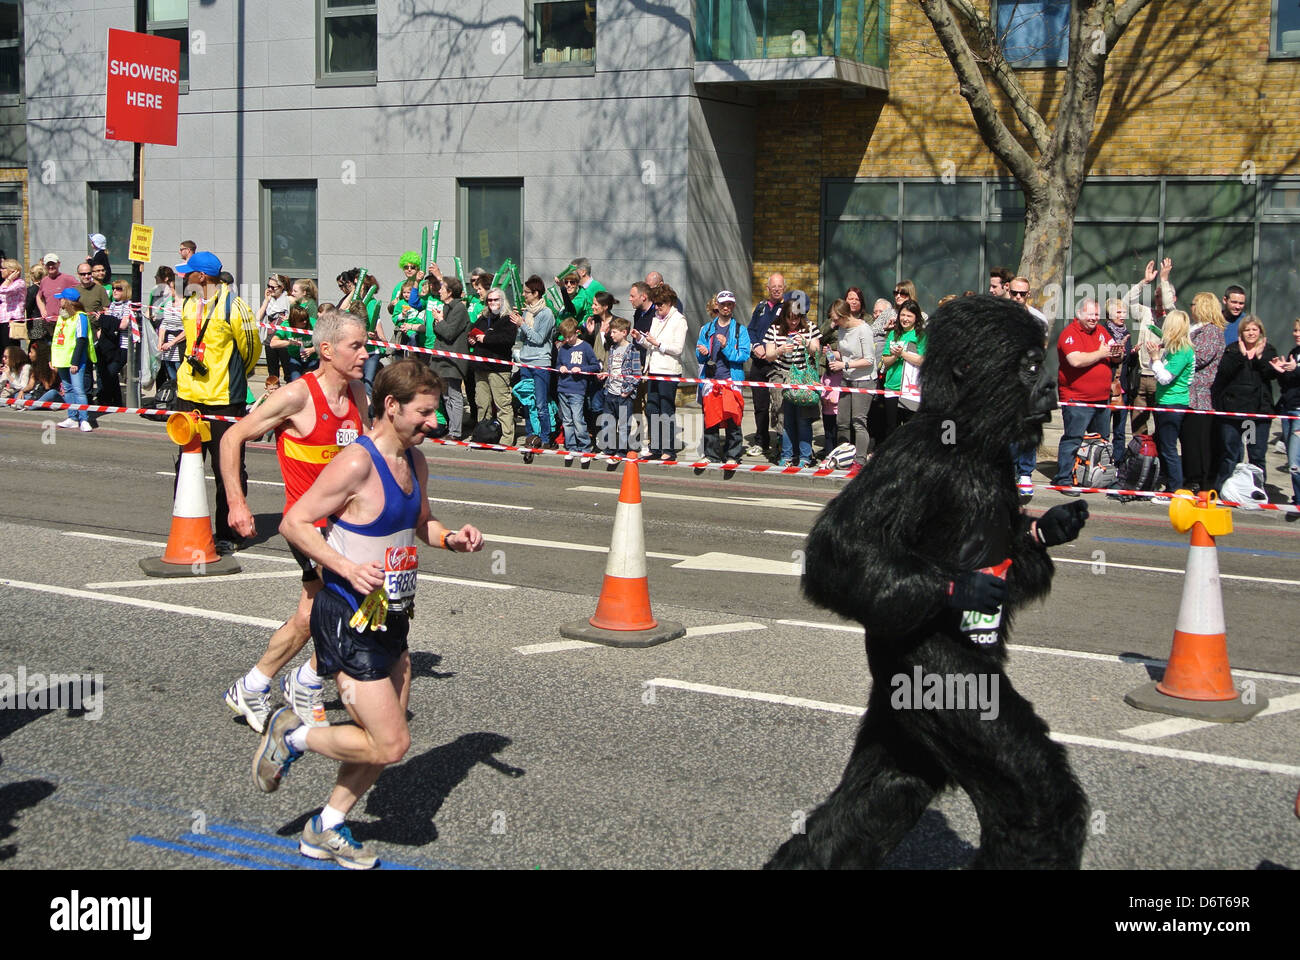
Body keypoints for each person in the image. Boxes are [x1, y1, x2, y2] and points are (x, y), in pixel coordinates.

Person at [256, 360, 484, 869]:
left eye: (436, 411)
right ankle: (291, 735)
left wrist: (451, 538)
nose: (434, 422)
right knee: (393, 743)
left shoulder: (414, 462)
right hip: (348, 613)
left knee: (381, 740)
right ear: (390, 406)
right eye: (424, 412)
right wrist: (343, 565)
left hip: (392, 613)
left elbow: (421, 522)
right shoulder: (356, 463)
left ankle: (327, 826)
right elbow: (295, 521)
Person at [221, 308, 371, 733]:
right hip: (306, 525)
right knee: (349, 606)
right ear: (326, 350)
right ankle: (304, 683)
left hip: (347, 525)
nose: (364, 354)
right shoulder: (297, 396)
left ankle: (255, 684)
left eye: (365, 345)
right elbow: (232, 436)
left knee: (312, 613)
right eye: (355, 346)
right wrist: (237, 502)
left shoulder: (359, 395)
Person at [173, 251, 261, 552]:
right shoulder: (189, 302)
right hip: (189, 396)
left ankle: (228, 533)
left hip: (223, 399)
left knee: (229, 469)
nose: (183, 277)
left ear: (202, 277)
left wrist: (235, 375)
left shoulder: (235, 306)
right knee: (187, 464)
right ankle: (188, 526)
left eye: (188, 273)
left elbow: (251, 348)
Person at [1052, 299, 1116, 492]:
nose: (1094, 318)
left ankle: (1098, 478)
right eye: (1090, 314)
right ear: (1079, 314)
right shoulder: (1069, 334)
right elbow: (1076, 360)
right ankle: (1063, 479)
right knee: (1073, 439)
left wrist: (1117, 352)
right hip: (1077, 398)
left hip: (1101, 399)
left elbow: (1114, 352)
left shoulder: (1102, 332)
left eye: (1097, 315)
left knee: (1102, 440)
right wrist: (1101, 352)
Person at [1212, 315, 1277, 491]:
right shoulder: (1232, 350)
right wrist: (1241, 355)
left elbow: (1271, 374)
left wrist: (1260, 357)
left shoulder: (1269, 350)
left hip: (1256, 415)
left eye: (1254, 329)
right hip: (1233, 413)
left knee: (1256, 454)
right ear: (1241, 333)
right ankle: (1224, 489)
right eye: (1247, 330)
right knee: (1230, 453)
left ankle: (1257, 491)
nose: (1251, 333)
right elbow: (1224, 373)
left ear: (1260, 332)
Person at [759, 291, 821, 466]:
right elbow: (769, 355)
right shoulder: (774, 329)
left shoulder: (810, 327)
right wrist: (780, 350)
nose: (793, 322)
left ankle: (805, 456)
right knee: (785, 419)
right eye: (789, 318)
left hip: (803, 378)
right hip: (783, 377)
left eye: (796, 318)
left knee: (803, 419)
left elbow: (816, 351)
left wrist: (806, 343)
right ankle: (786, 455)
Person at [696, 290, 751, 463]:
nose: (726, 307)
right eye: (723, 304)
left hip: (731, 381)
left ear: (733, 306)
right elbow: (699, 355)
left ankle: (732, 455)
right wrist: (703, 353)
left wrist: (726, 346)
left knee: (733, 419)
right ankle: (711, 455)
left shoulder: (740, 330)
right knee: (711, 420)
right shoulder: (707, 329)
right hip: (711, 380)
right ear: (717, 306)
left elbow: (743, 355)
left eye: (729, 304)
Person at [1125, 258, 1176, 436]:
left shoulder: (1174, 317)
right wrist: (1144, 282)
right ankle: (1140, 455)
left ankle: (1158, 455)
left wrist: (1164, 279)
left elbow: (1169, 305)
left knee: (1163, 424)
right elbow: (1127, 303)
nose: (1159, 300)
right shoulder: (1148, 313)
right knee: (1137, 423)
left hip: (1161, 378)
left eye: (1162, 296)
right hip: (1141, 376)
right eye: (1156, 296)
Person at [1181, 292, 1226, 493]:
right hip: (1190, 395)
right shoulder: (1196, 329)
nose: (1191, 308)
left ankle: (1198, 480)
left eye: (1193, 304)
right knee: (1189, 439)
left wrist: (1177, 348)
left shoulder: (1211, 332)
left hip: (1202, 397)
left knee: (1199, 442)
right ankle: (1192, 476)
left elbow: (1198, 358)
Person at [1146, 310, 1195, 495]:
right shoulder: (1172, 349)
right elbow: (1156, 370)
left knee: (1169, 448)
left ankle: (1175, 489)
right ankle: (1166, 480)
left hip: (1173, 404)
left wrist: (1156, 359)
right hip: (1163, 402)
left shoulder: (1183, 351)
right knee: (1162, 444)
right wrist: (1154, 356)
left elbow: (1165, 378)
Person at [636, 283, 687, 461]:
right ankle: (655, 447)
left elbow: (677, 349)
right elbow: (651, 344)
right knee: (652, 409)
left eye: (660, 305)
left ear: (670, 302)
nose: (657, 308)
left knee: (666, 409)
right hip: (654, 369)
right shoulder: (656, 318)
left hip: (669, 371)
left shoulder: (679, 320)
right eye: (656, 304)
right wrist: (641, 339)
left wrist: (658, 343)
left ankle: (668, 449)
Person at [828, 297, 875, 477]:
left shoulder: (864, 330)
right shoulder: (842, 329)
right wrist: (834, 355)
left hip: (863, 379)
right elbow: (845, 352)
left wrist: (845, 365)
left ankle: (860, 460)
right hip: (847, 378)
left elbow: (869, 360)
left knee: (859, 421)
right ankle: (842, 456)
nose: (834, 322)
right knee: (841, 421)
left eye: (836, 319)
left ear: (845, 315)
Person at [470, 287, 518, 443]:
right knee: (482, 405)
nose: (492, 303)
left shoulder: (508, 319)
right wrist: (471, 338)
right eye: (489, 300)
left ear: (502, 301)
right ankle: (483, 435)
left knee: (503, 404)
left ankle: (507, 438)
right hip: (480, 368)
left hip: (498, 370)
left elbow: (507, 339)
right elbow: (473, 332)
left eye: (496, 300)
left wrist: (485, 338)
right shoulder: (483, 317)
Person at [512, 275, 556, 444]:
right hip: (526, 362)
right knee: (527, 403)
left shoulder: (546, 314)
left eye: (527, 292)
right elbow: (522, 338)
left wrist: (522, 324)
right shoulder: (527, 312)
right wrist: (519, 325)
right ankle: (532, 435)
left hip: (540, 363)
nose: (524, 295)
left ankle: (545, 437)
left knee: (540, 403)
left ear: (536, 293)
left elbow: (538, 339)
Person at [746, 273, 786, 457]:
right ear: (768, 288)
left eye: (780, 286)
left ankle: (781, 442)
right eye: (773, 286)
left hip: (778, 363)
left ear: (784, 288)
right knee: (760, 405)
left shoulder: (789, 308)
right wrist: (756, 346)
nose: (776, 289)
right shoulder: (761, 307)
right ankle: (761, 441)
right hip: (758, 362)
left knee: (779, 405)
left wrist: (773, 350)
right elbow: (751, 330)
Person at [425, 274, 470, 439]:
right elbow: (437, 330)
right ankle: (452, 428)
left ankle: (456, 432)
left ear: (450, 291)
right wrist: (438, 321)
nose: (440, 290)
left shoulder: (459, 308)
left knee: (454, 394)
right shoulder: (445, 307)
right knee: (445, 395)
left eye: (442, 288)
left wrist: (440, 320)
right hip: (441, 358)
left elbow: (449, 333)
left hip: (453, 359)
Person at [555, 317, 600, 464]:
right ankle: (571, 447)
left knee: (578, 419)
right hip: (563, 388)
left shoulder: (585, 347)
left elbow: (595, 366)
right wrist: (560, 368)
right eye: (565, 337)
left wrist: (581, 369)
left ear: (577, 333)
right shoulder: (563, 348)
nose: (567, 339)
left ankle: (585, 448)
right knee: (567, 420)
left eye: (570, 336)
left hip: (578, 389)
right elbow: (557, 365)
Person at [49, 288, 96, 432]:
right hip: (62, 359)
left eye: (61, 299)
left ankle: (84, 419)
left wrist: (75, 362)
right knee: (68, 389)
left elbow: (81, 340)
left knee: (78, 390)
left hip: (74, 360)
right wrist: (53, 359)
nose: (59, 301)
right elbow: (56, 339)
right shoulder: (62, 316)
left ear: (68, 301)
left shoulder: (80, 316)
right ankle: (72, 417)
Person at [879, 298, 925, 441]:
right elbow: (885, 360)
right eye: (903, 315)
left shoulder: (920, 335)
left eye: (909, 316)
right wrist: (895, 356)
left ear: (916, 317)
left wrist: (903, 354)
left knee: (910, 428)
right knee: (891, 426)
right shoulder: (893, 334)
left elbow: (923, 360)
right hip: (892, 385)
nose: (905, 319)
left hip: (911, 389)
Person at [598, 316, 641, 463]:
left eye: (614, 332)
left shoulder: (632, 350)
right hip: (610, 392)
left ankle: (622, 452)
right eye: (611, 332)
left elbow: (637, 375)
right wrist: (606, 375)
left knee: (623, 425)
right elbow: (612, 369)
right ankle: (609, 449)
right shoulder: (612, 349)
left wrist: (628, 390)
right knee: (608, 422)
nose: (611, 334)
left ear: (624, 332)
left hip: (623, 394)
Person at [1271, 320, 1300, 509]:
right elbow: (1287, 384)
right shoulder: (1294, 353)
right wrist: (1281, 371)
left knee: (1295, 460)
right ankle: (1297, 498)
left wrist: (1296, 369)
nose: (1296, 334)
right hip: (1288, 408)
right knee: (1292, 459)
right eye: (1295, 330)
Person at [258, 274, 292, 383]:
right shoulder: (270, 300)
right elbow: (258, 317)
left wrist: (289, 318)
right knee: (272, 372)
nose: (270, 289)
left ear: (281, 287)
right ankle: (273, 392)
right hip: (269, 338)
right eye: (268, 286)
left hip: (283, 338)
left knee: (288, 370)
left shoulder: (288, 299)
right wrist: (266, 300)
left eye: (273, 287)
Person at [18, 340, 60, 406]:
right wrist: (22, 391)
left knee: (52, 393)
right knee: (17, 395)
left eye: (31, 352)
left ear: (38, 354)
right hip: (38, 393)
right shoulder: (34, 366)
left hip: (52, 394)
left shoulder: (52, 366)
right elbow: (30, 385)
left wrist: (41, 372)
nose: (29, 354)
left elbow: (48, 386)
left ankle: (31, 405)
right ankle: (31, 404)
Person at [0, 258, 25, 353]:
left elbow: (3, 290)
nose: (1, 270)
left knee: (10, 348)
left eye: (3, 268)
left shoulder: (19, 283)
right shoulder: (6, 283)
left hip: (12, 320)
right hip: (3, 319)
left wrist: (9, 278)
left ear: (12, 271)